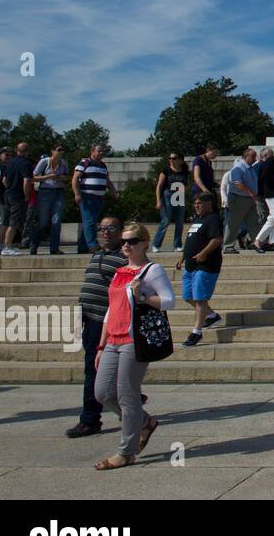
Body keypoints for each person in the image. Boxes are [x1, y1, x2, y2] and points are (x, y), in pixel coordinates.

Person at [91, 221, 174, 469]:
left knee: (127, 396)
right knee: (103, 392)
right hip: (113, 338)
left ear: (145, 244)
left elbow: (170, 301)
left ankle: (126, 452)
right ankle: (145, 422)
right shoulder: (120, 271)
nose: (126, 245)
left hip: (133, 339)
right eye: (124, 241)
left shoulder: (152, 270)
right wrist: (101, 345)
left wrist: (144, 297)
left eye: (132, 241)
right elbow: (110, 310)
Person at [65, 215, 127, 438]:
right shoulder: (98, 254)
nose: (105, 232)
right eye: (102, 228)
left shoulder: (124, 258)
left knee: (93, 371)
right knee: (103, 370)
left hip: (105, 322)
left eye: (111, 227)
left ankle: (90, 420)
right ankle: (131, 400)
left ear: (121, 231)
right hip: (88, 319)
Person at [178, 193, 224, 346]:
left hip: (206, 265)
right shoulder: (198, 220)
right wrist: (183, 257)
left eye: (200, 203)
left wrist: (204, 253)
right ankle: (211, 315)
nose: (196, 206)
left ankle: (196, 332)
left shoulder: (213, 219)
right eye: (195, 203)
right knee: (187, 296)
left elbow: (217, 239)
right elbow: (192, 240)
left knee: (200, 299)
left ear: (209, 203)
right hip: (190, 265)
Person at [30, 143, 70, 255]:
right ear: (52, 151)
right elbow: (33, 177)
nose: (61, 152)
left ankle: (54, 248)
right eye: (58, 150)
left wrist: (62, 178)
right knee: (43, 221)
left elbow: (67, 176)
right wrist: (48, 176)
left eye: (62, 150)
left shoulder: (64, 163)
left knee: (56, 220)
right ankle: (34, 244)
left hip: (59, 191)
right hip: (45, 192)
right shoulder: (44, 162)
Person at [0, 142, 34, 256]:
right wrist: (26, 195)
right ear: (27, 152)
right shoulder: (26, 163)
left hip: (8, 194)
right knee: (14, 222)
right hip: (17, 196)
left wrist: (10, 188)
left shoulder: (9, 162)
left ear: (16, 150)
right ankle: (7, 247)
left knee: (6, 221)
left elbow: (4, 180)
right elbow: (26, 181)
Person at [221, 148, 261, 252]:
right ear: (246, 156)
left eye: (255, 156)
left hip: (250, 199)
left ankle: (257, 243)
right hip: (239, 198)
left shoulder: (250, 168)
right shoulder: (238, 168)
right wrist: (250, 192)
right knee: (234, 223)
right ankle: (228, 246)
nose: (255, 159)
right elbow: (237, 183)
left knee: (254, 222)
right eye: (253, 156)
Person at [151, 152, 189, 252]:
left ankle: (177, 244)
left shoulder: (184, 171)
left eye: (174, 158)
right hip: (168, 195)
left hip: (179, 196)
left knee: (179, 222)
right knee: (165, 220)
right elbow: (159, 186)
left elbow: (186, 185)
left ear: (180, 160)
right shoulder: (166, 171)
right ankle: (156, 244)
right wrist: (158, 200)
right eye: (170, 158)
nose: (171, 160)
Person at [191, 143, 219, 207]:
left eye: (217, 153)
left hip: (208, 190)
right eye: (215, 152)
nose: (216, 155)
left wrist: (215, 184)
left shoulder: (209, 162)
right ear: (208, 150)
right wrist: (205, 190)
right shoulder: (198, 160)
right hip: (199, 191)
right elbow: (196, 177)